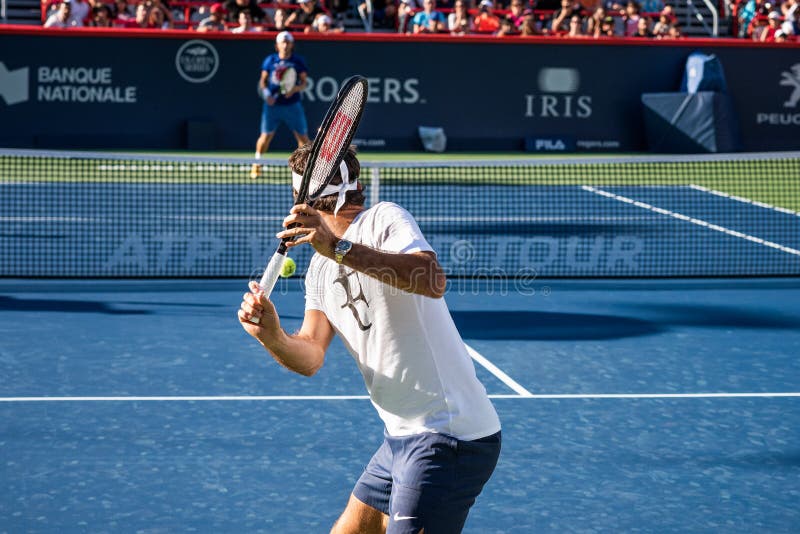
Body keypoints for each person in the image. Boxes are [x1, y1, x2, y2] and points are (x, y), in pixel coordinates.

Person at [238, 144, 502, 533]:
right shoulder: (317, 273)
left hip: (448, 435)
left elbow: (431, 279)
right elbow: (310, 356)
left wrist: (337, 248)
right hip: (400, 438)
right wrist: (273, 336)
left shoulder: (384, 219)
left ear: (302, 198)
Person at [251, 31, 311, 179]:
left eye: (287, 42)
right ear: (277, 45)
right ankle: (256, 164)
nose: (285, 45)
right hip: (272, 107)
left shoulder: (298, 61)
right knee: (265, 137)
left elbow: (304, 83)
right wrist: (267, 95)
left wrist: (294, 89)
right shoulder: (270, 60)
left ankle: (304, 169)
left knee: (303, 139)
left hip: (292, 105)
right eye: (282, 42)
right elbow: (262, 81)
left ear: (291, 45)